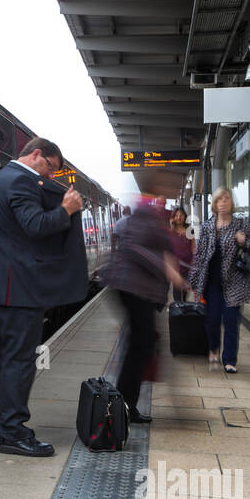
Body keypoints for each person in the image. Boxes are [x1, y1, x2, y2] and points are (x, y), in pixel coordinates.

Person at [0, 137, 85, 457]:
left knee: (2, 357)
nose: (51, 176)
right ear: (36, 155)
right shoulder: (22, 182)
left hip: (2, 286)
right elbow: (35, 225)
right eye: (51, 168)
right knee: (20, 360)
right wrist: (67, 210)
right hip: (21, 287)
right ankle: (14, 432)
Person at [104, 171, 188, 423]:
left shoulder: (154, 216)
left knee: (140, 346)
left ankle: (126, 405)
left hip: (139, 290)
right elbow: (135, 247)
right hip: (132, 288)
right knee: (138, 347)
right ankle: (122, 407)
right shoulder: (143, 212)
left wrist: (175, 265)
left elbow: (158, 248)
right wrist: (167, 268)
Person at [188, 187, 250, 373]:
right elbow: (200, 255)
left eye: (226, 198)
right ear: (215, 203)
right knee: (212, 320)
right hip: (211, 282)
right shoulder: (206, 227)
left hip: (234, 281)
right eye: (220, 199)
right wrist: (193, 278)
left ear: (231, 203)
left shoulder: (242, 224)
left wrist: (244, 241)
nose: (223, 202)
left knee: (231, 320)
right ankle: (213, 349)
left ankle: (229, 360)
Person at [167, 207, 193, 303]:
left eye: (181, 215)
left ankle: (184, 306)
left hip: (187, 264)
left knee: (185, 288)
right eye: (176, 215)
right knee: (177, 288)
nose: (179, 217)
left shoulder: (190, 230)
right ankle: (178, 308)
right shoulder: (171, 232)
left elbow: (193, 247)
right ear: (173, 217)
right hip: (176, 265)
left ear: (185, 217)